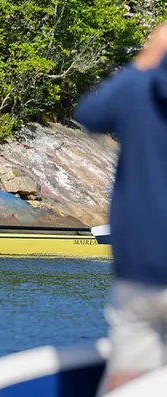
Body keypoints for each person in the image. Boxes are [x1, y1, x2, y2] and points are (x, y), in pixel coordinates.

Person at [75, 20, 167, 394]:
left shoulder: (139, 90)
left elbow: (91, 114)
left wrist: (145, 60)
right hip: (140, 269)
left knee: (127, 375)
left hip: (141, 266)